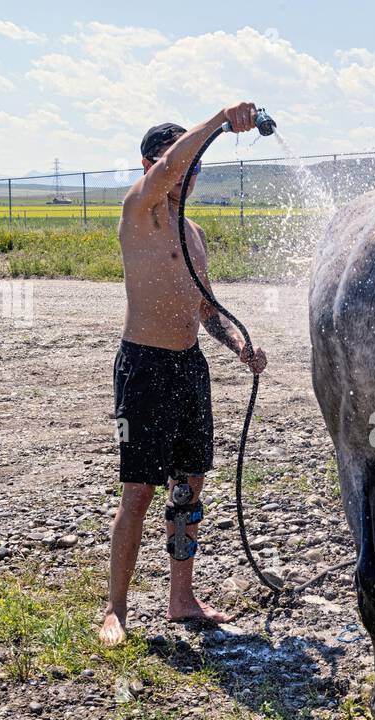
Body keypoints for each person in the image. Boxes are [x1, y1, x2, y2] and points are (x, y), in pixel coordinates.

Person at [99, 104, 269, 647]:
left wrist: (240, 344)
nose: (187, 177)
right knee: (139, 492)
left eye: (194, 171)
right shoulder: (138, 210)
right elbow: (170, 169)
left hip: (188, 367)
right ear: (149, 166)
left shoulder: (192, 232)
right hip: (144, 366)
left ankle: (181, 599)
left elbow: (206, 308)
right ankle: (116, 609)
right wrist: (221, 119)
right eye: (181, 168)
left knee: (188, 486)